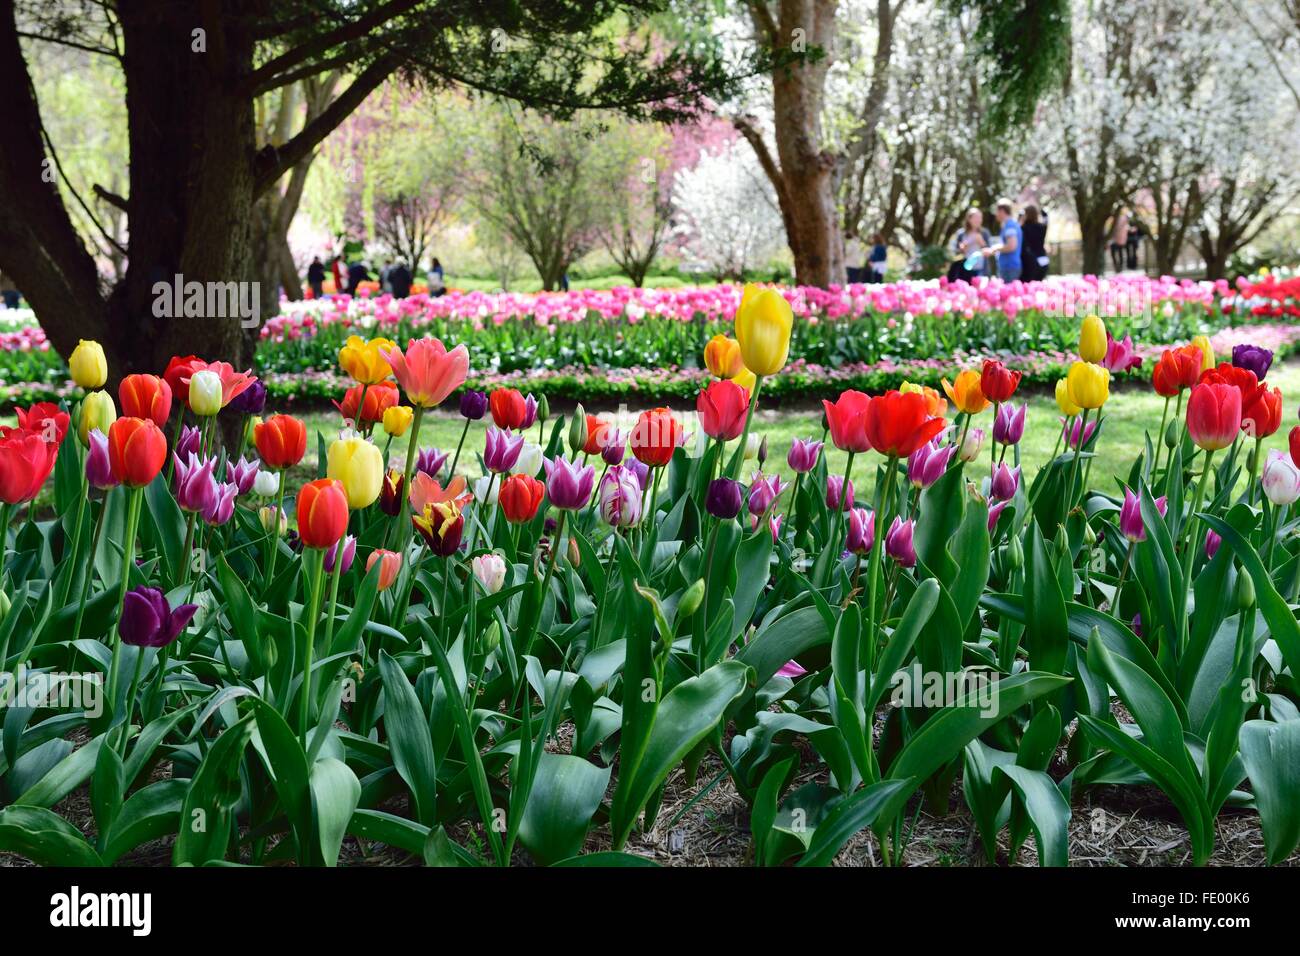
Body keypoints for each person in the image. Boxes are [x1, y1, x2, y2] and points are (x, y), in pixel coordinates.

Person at [982, 198, 1022, 282]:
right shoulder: (1011, 224)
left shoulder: (1010, 226)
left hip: (1009, 267)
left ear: (1002, 211)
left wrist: (994, 249)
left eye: (997, 211)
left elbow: (1011, 246)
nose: (996, 214)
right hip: (1009, 267)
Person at [948, 208, 991, 282]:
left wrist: (982, 243)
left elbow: (989, 252)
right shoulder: (961, 234)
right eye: (976, 217)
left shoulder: (984, 233)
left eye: (980, 217)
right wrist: (963, 248)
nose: (979, 220)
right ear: (969, 219)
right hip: (964, 270)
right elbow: (957, 253)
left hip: (981, 270)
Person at [1020, 205, 1049, 281]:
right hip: (1043, 259)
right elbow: (1046, 219)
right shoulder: (1042, 227)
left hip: (1030, 261)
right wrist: (1042, 210)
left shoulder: (1023, 228)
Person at [1109, 209, 1130, 273]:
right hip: (1113, 239)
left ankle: (1120, 267)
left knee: (1120, 253)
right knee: (1114, 253)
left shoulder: (1124, 218)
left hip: (1120, 239)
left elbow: (1129, 216)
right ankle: (1116, 266)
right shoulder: (1113, 219)